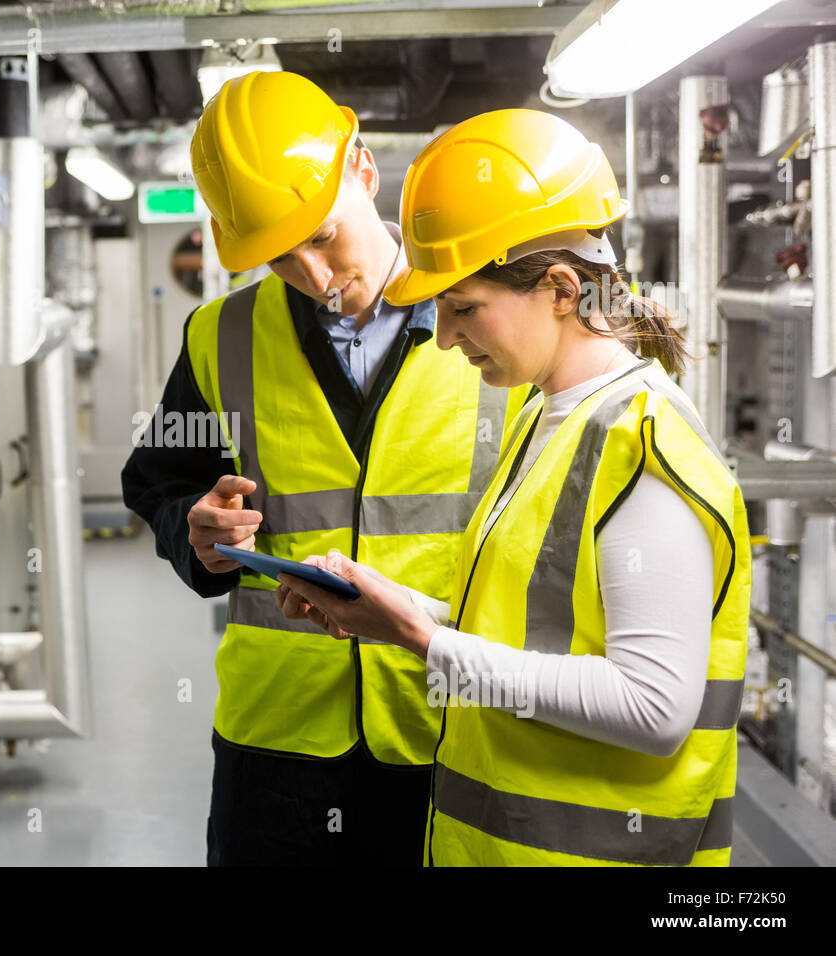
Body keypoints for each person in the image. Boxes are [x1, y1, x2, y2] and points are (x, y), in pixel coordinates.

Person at [274, 108, 750, 866]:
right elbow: (534, 630)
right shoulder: (545, 418)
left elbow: (653, 707)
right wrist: (389, 606)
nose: (446, 339)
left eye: (464, 309)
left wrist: (421, 640)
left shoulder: (643, 447)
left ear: (562, 288)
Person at [121, 71, 529, 866]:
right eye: (277, 257)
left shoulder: (492, 322)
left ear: (366, 172)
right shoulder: (219, 335)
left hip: (444, 721)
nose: (312, 274)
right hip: (276, 746)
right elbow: (158, 481)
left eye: (321, 235)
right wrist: (193, 529)